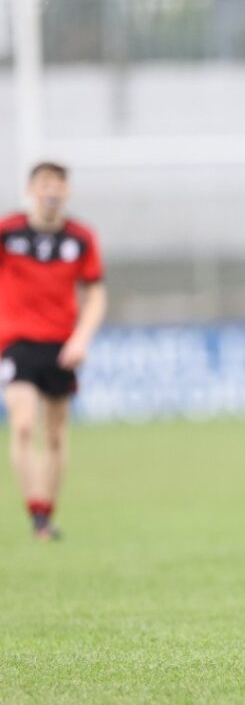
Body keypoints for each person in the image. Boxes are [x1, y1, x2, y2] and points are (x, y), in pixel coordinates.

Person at [1, 161, 107, 541]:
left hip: (62, 347)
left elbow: (95, 293)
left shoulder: (80, 237)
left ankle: (47, 512)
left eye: (59, 183)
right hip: (15, 344)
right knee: (24, 422)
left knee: (56, 434)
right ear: (31, 189)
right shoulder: (7, 231)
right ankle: (34, 512)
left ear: (67, 191)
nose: (52, 189)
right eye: (45, 182)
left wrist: (81, 339)